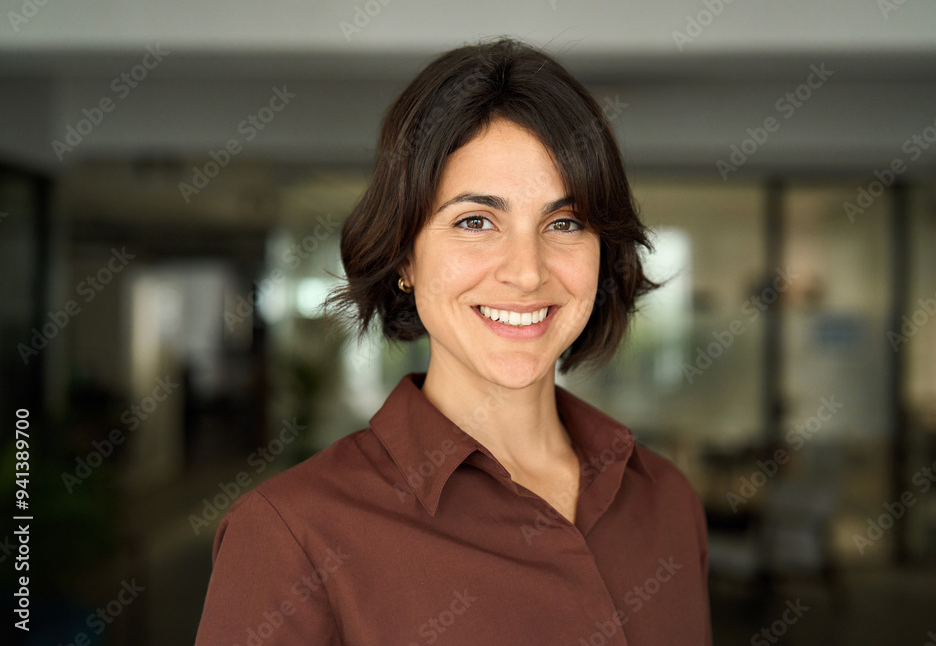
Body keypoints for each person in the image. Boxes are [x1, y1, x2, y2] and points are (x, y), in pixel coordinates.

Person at [195, 36, 712, 645]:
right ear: (405, 257)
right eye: (475, 221)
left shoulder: (666, 503)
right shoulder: (292, 536)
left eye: (564, 223)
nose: (527, 271)